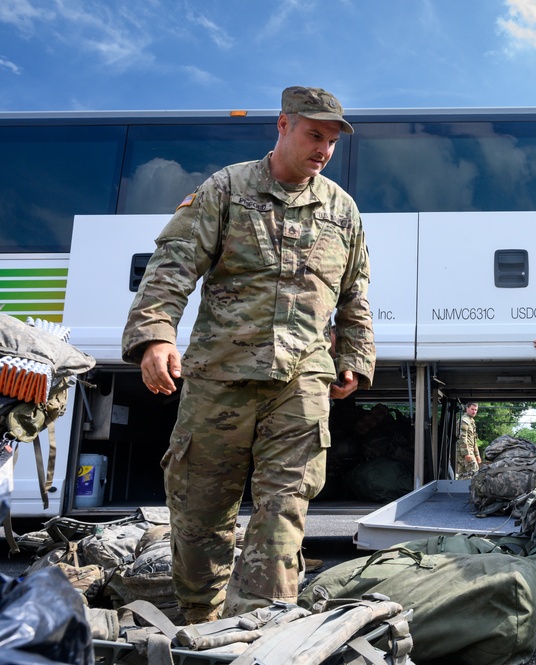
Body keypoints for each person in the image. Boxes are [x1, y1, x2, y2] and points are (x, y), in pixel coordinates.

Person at [121, 86, 375, 623]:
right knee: (200, 510)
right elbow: (173, 263)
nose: (324, 149)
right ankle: (199, 619)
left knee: (285, 506)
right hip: (220, 375)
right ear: (282, 126)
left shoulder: (341, 209)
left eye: (332, 141)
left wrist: (354, 356)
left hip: (301, 379)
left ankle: (262, 629)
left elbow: (355, 295)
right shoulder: (227, 188)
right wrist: (156, 336)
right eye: (314, 135)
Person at [455, 402, 481, 479]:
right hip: (464, 451)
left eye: (476, 410)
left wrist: (477, 455)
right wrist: (466, 453)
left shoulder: (471, 421)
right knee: (475, 472)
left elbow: (474, 440)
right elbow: (462, 437)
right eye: (472, 409)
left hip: (468, 451)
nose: (474, 411)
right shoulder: (464, 420)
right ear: (467, 409)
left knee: (463, 475)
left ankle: (461, 490)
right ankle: (473, 490)